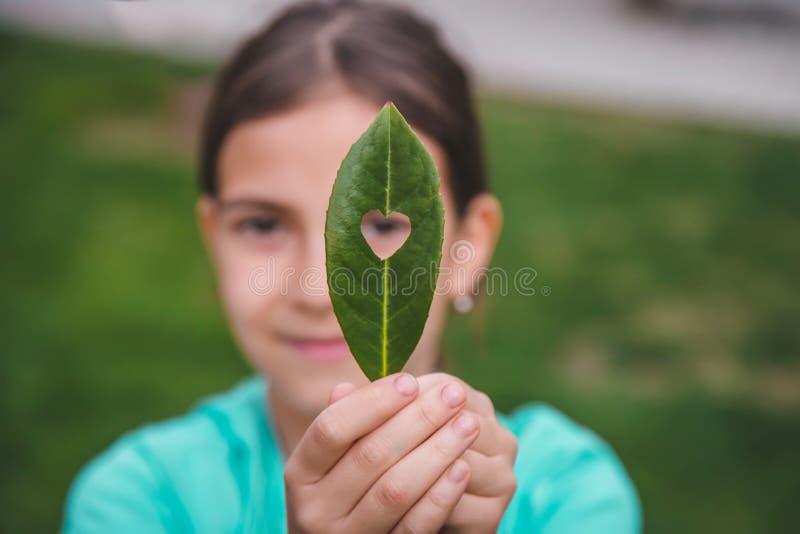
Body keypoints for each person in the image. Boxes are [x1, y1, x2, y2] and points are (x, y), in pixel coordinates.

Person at [61, 1, 641, 532]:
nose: (318, 290)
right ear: (213, 238)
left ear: (468, 247)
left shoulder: (570, 494)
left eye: (384, 226)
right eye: (262, 224)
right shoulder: (138, 501)